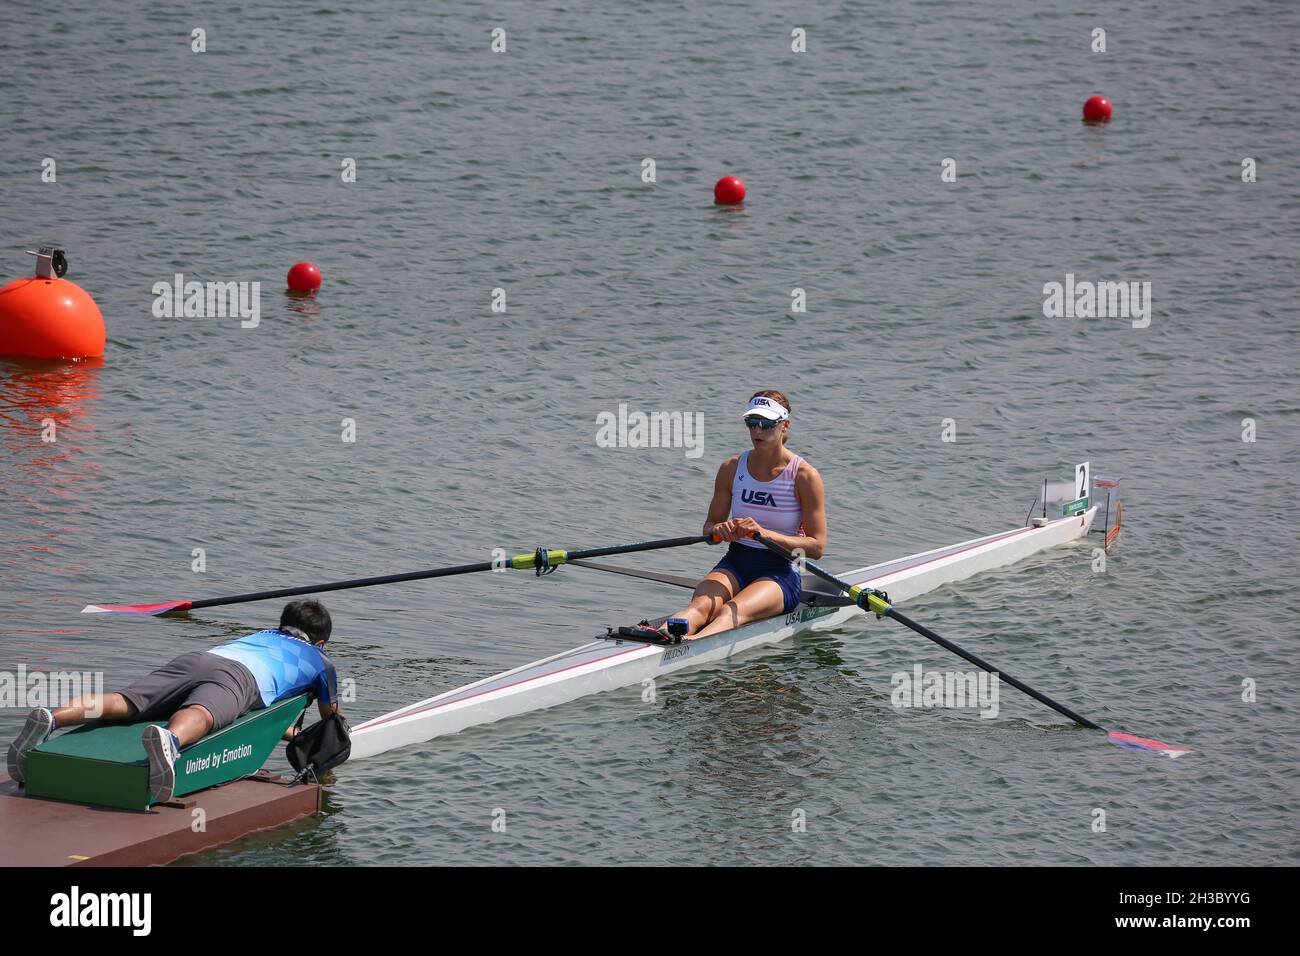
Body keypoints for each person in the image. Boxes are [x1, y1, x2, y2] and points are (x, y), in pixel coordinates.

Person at [6, 599, 340, 803]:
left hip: (198, 659)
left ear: (283, 625)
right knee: (202, 713)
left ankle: (52, 717)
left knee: (126, 701)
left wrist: (289, 734)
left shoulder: (261, 635)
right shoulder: (320, 661)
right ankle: (171, 739)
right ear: (321, 641)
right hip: (239, 679)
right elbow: (330, 722)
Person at [661, 390, 827, 639]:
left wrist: (764, 534)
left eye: (766, 424)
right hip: (736, 562)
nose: (757, 431)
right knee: (699, 607)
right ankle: (658, 637)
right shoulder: (731, 468)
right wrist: (717, 532)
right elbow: (709, 527)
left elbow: (817, 547)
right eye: (751, 423)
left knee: (729, 611)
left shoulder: (804, 476)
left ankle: (692, 643)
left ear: (785, 426)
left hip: (780, 570)